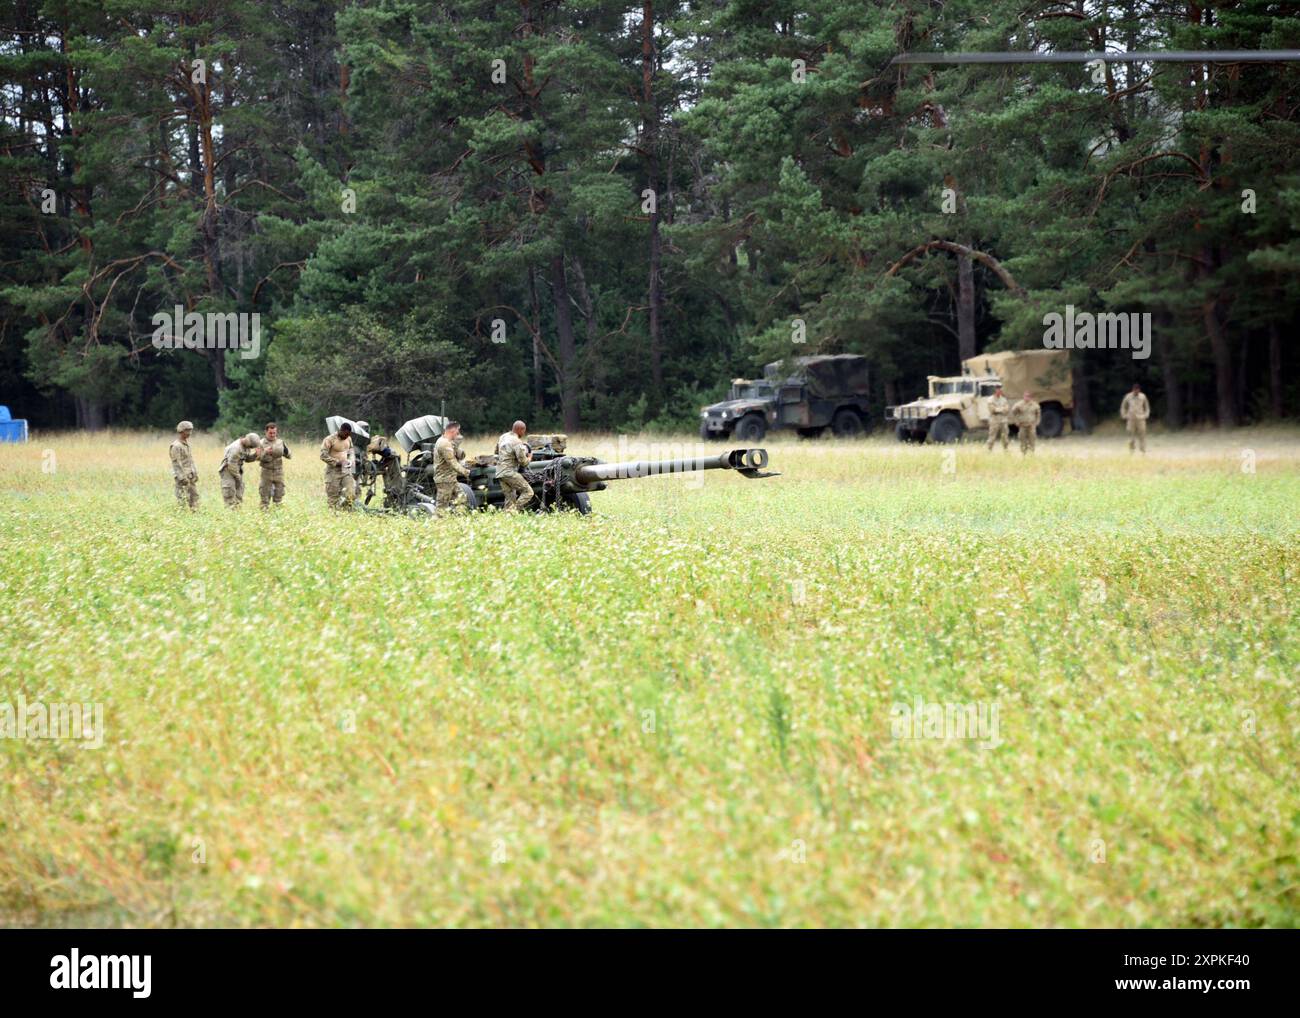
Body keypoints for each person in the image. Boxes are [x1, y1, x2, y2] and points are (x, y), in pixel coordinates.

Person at [495, 420, 535, 512]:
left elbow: (496, 451)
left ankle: (508, 518)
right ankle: (513, 510)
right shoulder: (517, 442)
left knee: (510, 499)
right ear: (520, 430)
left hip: (500, 472)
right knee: (528, 492)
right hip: (509, 473)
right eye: (524, 431)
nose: (524, 433)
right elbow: (523, 462)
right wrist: (529, 457)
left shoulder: (503, 437)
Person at [433, 421, 471, 513]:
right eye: (457, 432)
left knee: (462, 500)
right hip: (444, 480)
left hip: (451, 480)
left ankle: (458, 520)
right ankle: (437, 525)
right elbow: (452, 462)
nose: (458, 434)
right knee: (441, 509)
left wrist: (455, 446)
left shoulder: (447, 442)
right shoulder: (444, 443)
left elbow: (460, 455)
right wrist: (466, 472)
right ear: (452, 431)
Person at [219, 432, 262, 508]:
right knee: (229, 492)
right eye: (251, 446)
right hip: (228, 471)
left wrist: (255, 455)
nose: (251, 448)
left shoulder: (246, 447)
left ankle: (237, 510)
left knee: (239, 492)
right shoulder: (236, 448)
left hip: (237, 470)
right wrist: (237, 476)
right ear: (248, 442)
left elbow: (247, 459)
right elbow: (231, 465)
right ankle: (230, 512)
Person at [320, 421, 355, 510]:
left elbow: (351, 451)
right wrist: (336, 462)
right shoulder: (330, 439)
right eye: (345, 434)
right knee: (333, 496)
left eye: (348, 434)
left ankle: (346, 511)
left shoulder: (349, 439)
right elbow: (323, 455)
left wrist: (351, 460)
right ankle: (333, 513)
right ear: (341, 430)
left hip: (346, 468)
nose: (347, 436)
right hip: (333, 470)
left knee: (350, 493)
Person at [257, 421, 291, 508]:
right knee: (264, 498)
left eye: (274, 433)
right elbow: (257, 457)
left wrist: (285, 451)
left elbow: (289, 455)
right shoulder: (260, 443)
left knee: (279, 498)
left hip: (278, 472)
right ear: (266, 432)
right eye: (270, 433)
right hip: (266, 473)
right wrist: (265, 452)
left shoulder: (280, 442)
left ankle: (278, 517)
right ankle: (264, 517)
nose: (272, 435)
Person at [170, 421, 199, 509]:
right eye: (187, 431)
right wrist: (183, 478)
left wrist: (195, 473)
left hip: (190, 476)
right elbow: (176, 464)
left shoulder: (186, 444)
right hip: (182, 478)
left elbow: (190, 460)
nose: (189, 433)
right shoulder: (176, 446)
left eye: (190, 430)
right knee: (182, 500)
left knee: (194, 499)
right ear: (181, 431)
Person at [1120, 384, 1150, 454]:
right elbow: (1123, 406)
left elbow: (1147, 407)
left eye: (1137, 390)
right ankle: (1131, 451)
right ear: (1132, 390)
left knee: (1142, 436)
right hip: (1131, 419)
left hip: (1141, 419)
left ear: (1139, 390)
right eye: (1135, 390)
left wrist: (1146, 415)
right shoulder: (1128, 396)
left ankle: (1143, 451)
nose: (1136, 392)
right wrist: (1124, 415)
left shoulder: (1143, 396)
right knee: (1131, 437)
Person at [1010, 391, 1041, 455]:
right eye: (1025, 396)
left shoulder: (1035, 405)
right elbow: (1013, 412)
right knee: (1022, 441)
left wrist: (1037, 422)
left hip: (1031, 426)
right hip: (1022, 426)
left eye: (1028, 396)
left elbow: (1038, 414)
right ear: (1023, 397)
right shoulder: (1019, 404)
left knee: (1032, 440)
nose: (1027, 397)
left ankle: (1031, 454)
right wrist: (1016, 421)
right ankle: (1024, 454)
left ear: (1031, 397)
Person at [985, 386, 1011, 451]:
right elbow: (992, 410)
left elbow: (1007, 409)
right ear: (995, 391)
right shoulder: (990, 399)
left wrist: (998, 409)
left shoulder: (1004, 399)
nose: (999, 391)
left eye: (1000, 390)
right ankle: (989, 450)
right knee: (992, 436)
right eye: (998, 390)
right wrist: (1002, 409)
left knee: (1005, 436)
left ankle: (1006, 449)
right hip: (994, 421)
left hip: (1003, 421)